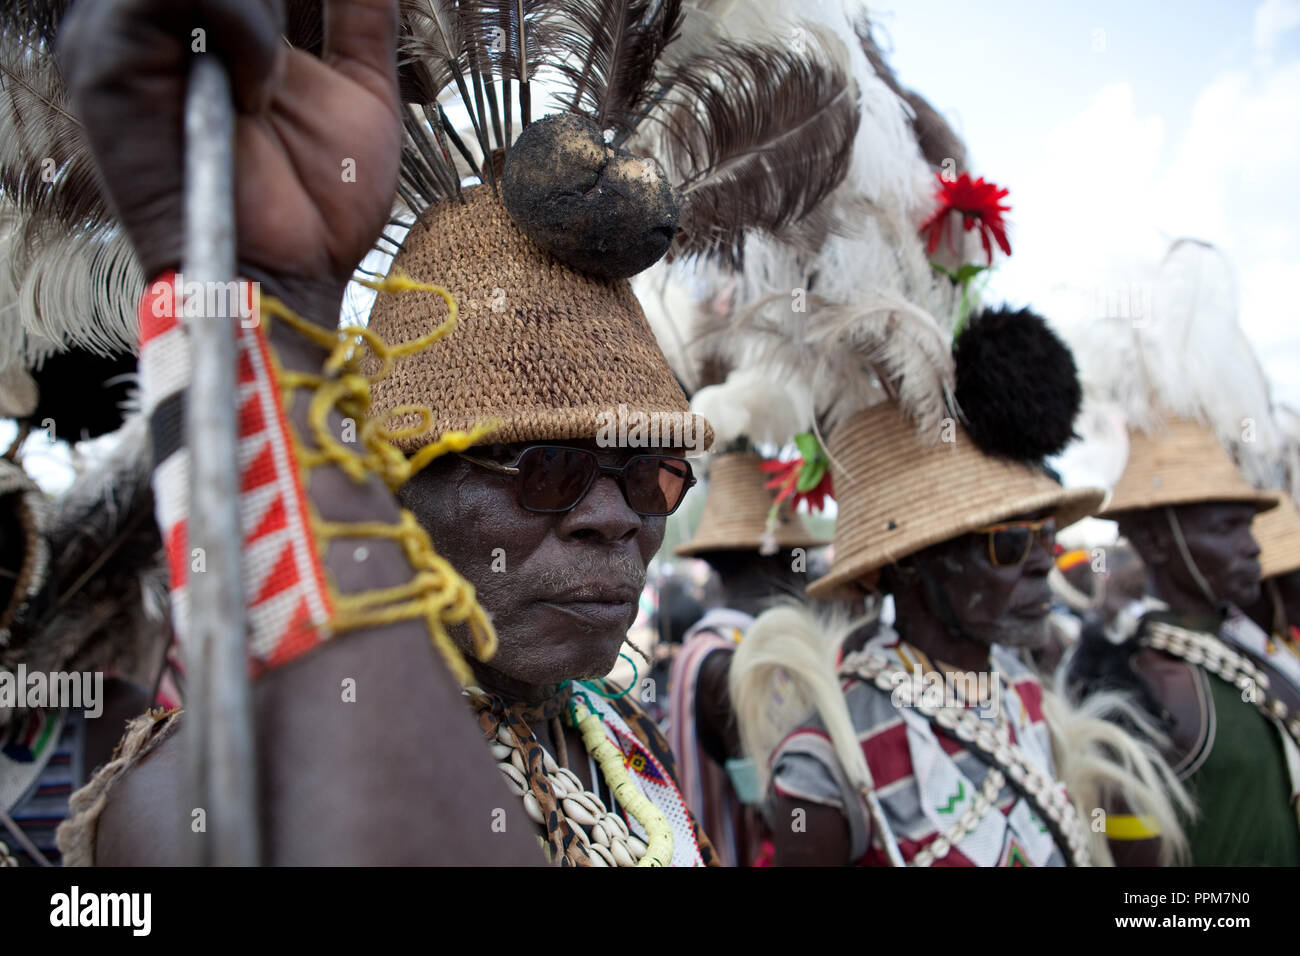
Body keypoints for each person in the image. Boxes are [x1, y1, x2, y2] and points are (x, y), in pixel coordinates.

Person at [44, 0, 860, 865]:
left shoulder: (622, 741)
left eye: (652, 476)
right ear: (395, 485)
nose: (615, 519)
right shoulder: (205, 801)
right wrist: (275, 315)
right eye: (548, 470)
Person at [669, 449, 829, 866]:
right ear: (775, 563)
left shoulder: (710, 644)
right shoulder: (730, 660)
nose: (804, 574)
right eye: (799, 559)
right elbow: (776, 805)